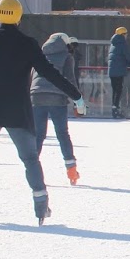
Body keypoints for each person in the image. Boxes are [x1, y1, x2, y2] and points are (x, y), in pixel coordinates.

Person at [0, 0, 84, 226]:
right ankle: (40, 202)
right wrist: (75, 95)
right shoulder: (27, 43)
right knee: (30, 158)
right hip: (17, 107)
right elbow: (48, 72)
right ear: (18, 16)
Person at [32, 32, 85, 186]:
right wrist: (78, 102)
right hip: (57, 97)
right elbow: (70, 79)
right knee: (62, 134)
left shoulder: (39, 55)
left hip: (36, 96)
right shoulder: (66, 56)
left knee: (38, 135)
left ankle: (32, 170)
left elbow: (31, 78)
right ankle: (71, 169)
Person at [108, 26, 130, 118]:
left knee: (115, 90)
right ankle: (116, 108)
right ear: (123, 34)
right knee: (119, 90)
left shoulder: (113, 43)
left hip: (111, 71)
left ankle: (114, 107)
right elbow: (127, 55)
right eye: (126, 34)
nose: (127, 36)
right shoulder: (122, 43)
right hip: (119, 70)